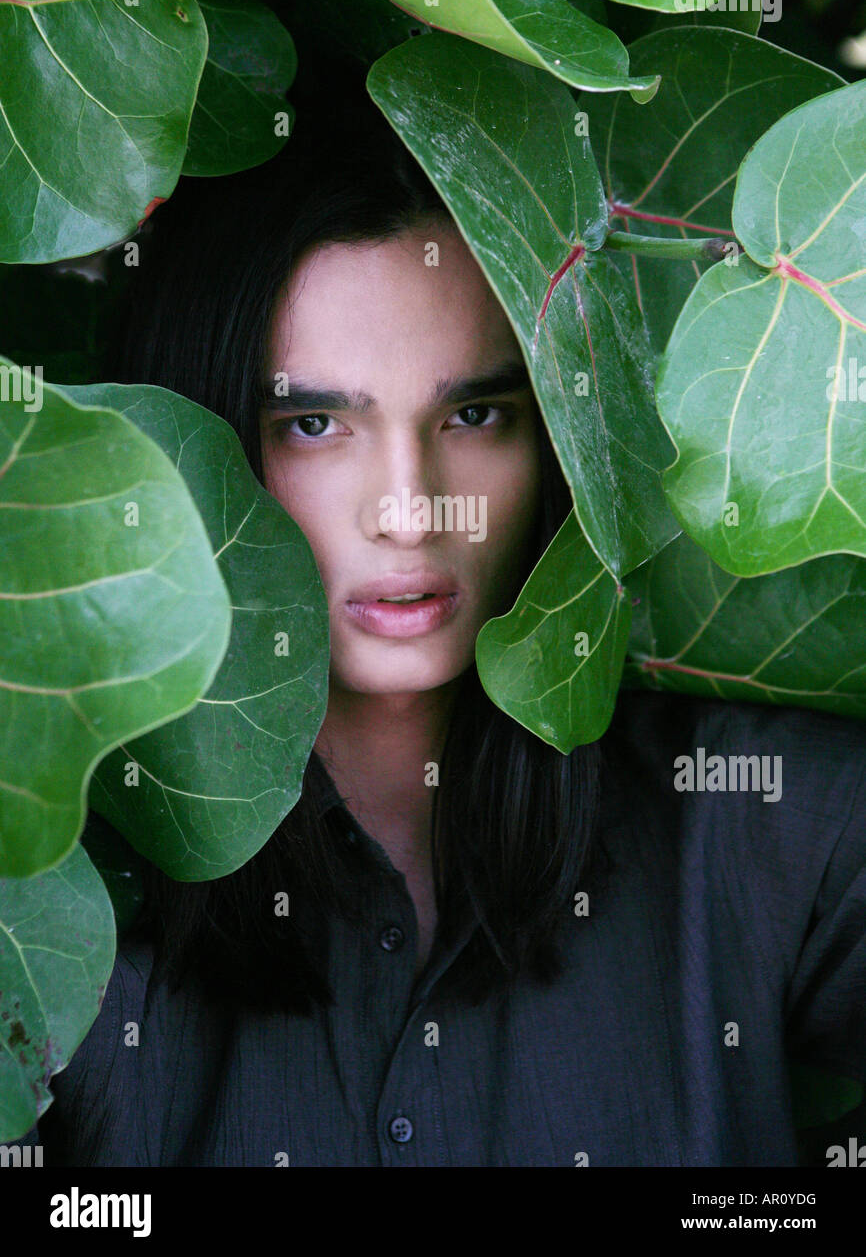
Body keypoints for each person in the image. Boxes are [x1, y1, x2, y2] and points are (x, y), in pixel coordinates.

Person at [19, 69, 866, 1168]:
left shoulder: (749, 830)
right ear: (202, 435)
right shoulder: (62, 923)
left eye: (473, 412)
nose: (412, 508)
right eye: (315, 422)